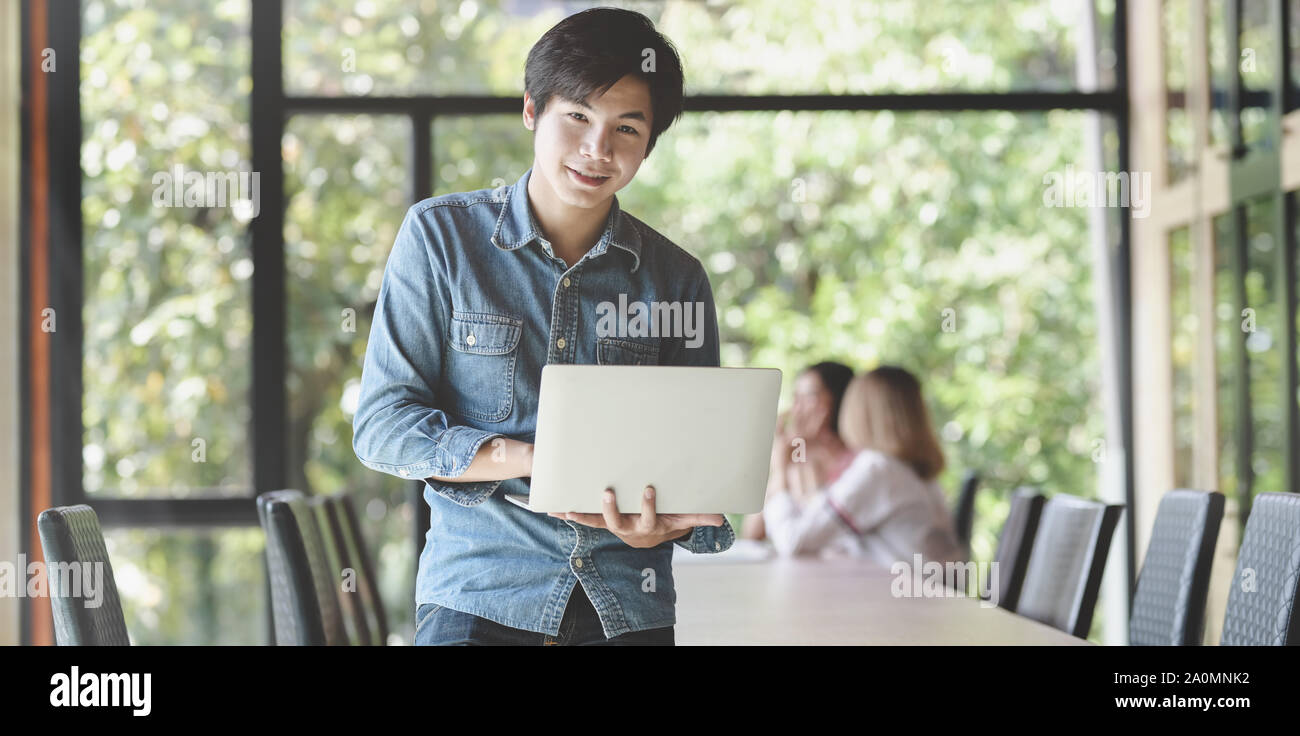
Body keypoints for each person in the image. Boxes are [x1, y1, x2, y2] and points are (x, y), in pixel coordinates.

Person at [351, 8, 733, 646]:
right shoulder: (441, 239)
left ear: (649, 143)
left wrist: (659, 525)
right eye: (577, 117)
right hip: (480, 597)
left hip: (626, 607)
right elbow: (383, 427)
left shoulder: (676, 279)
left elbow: (699, 476)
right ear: (532, 110)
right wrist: (534, 459)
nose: (597, 150)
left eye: (627, 129)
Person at [762, 366, 964, 568]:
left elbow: (792, 541)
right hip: (928, 590)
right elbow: (820, 523)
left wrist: (780, 468)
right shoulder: (906, 468)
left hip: (908, 594)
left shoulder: (877, 468)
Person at [742, 361, 857, 540]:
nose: (797, 408)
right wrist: (780, 464)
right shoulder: (796, 456)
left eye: (808, 397)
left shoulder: (857, 460)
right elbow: (752, 534)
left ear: (839, 399)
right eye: (795, 398)